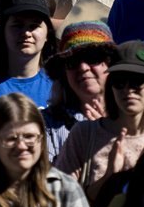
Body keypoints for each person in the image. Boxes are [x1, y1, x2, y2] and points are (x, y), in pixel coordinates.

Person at [54, 40, 144, 197]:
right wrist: (109, 177)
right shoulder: (84, 134)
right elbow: (61, 202)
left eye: (138, 81)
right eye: (120, 81)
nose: (128, 89)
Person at [41, 20, 114, 157]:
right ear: (64, 73)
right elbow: (45, 177)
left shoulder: (130, 117)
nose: (83, 68)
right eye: (73, 61)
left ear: (111, 64)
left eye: (93, 58)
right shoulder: (47, 124)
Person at [0, 0, 57, 104]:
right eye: (18, 25)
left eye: (34, 26)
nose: (26, 33)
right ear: (3, 31)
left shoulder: (60, 86)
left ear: (47, 33)